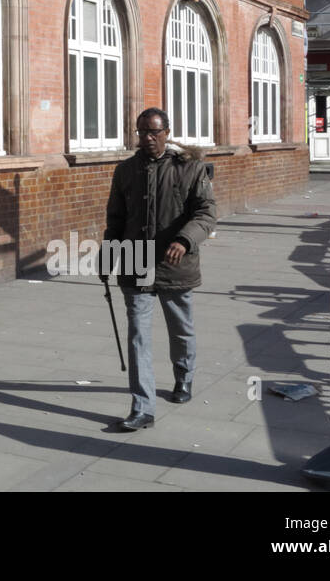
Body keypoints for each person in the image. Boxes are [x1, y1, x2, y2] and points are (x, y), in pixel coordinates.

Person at [104, 108, 216, 432]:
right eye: (142, 132)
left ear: (167, 131)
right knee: (138, 335)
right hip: (135, 261)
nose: (147, 138)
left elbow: (207, 214)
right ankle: (142, 407)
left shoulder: (190, 169)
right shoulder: (125, 171)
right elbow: (115, 218)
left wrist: (185, 240)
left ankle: (184, 376)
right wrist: (108, 253)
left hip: (174, 263)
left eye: (153, 132)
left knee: (180, 330)